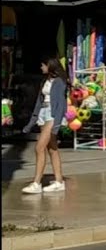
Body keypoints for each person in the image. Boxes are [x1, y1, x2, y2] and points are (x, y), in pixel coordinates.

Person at [20, 57, 69, 194]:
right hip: (43, 113)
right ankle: (59, 181)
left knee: (39, 147)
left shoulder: (59, 82)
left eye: (43, 65)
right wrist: (31, 122)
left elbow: (60, 104)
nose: (41, 67)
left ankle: (36, 182)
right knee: (52, 148)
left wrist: (57, 123)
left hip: (52, 115)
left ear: (50, 65)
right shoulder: (45, 81)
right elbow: (38, 103)